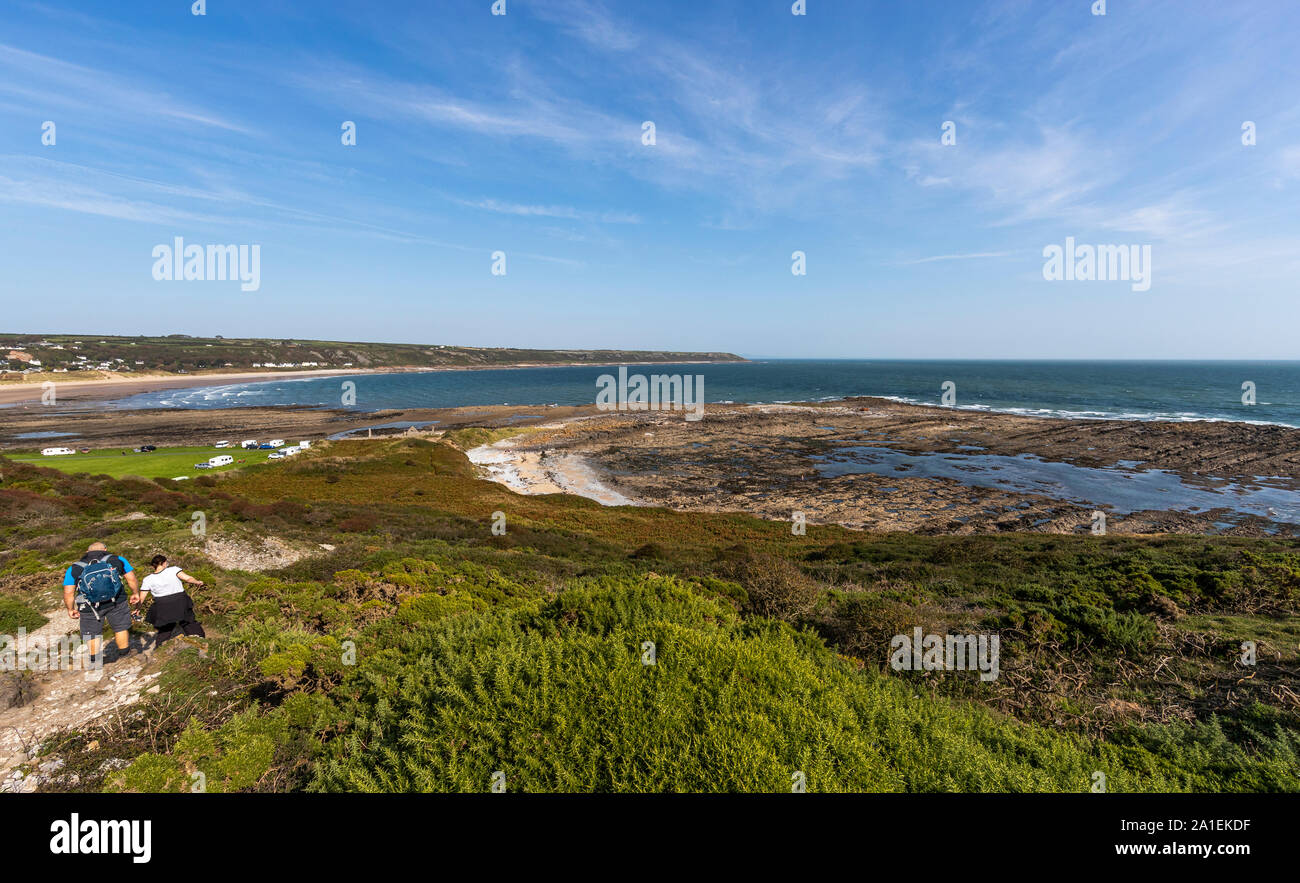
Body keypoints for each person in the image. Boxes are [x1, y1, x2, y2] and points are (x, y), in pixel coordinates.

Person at [63, 542, 140, 664]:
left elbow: (68, 592)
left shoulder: (74, 567)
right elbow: (131, 579)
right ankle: (125, 654)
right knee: (120, 627)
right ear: (105, 549)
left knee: (92, 633)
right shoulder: (117, 559)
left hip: (89, 606)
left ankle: (95, 661)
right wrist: (135, 593)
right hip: (116, 600)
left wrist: (70, 609)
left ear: (87, 552)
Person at [139, 554, 207, 645]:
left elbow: (141, 598)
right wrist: (197, 582)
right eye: (166, 562)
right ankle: (200, 640)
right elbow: (188, 578)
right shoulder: (174, 570)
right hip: (180, 600)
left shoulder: (147, 579)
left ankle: (160, 646)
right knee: (188, 620)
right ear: (163, 563)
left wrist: (137, 609)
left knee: (166, 626)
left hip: (162, 604)